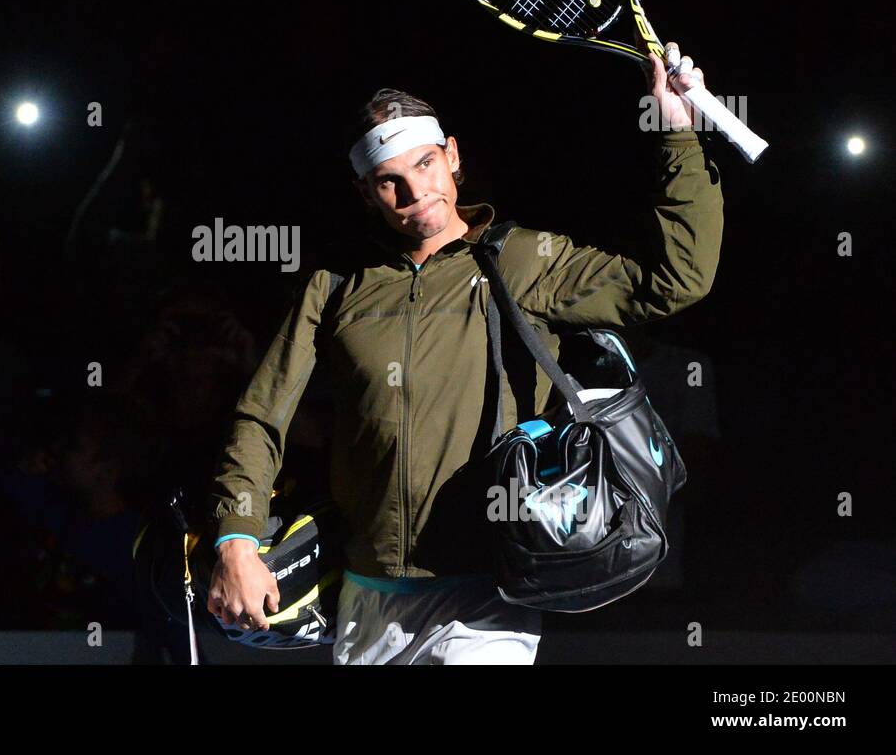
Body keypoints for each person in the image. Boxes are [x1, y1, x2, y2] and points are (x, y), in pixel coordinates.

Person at [206, 46, 725, 664]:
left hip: (487, 595)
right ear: (365, 193)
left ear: (452, 156)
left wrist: (676, 135)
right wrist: (236, 540)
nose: (414, 191)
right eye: (388, 180)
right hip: (367, 600)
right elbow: (260, 416)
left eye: (425, 163)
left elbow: (676, 279)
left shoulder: (522, 259)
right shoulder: (334, 284)